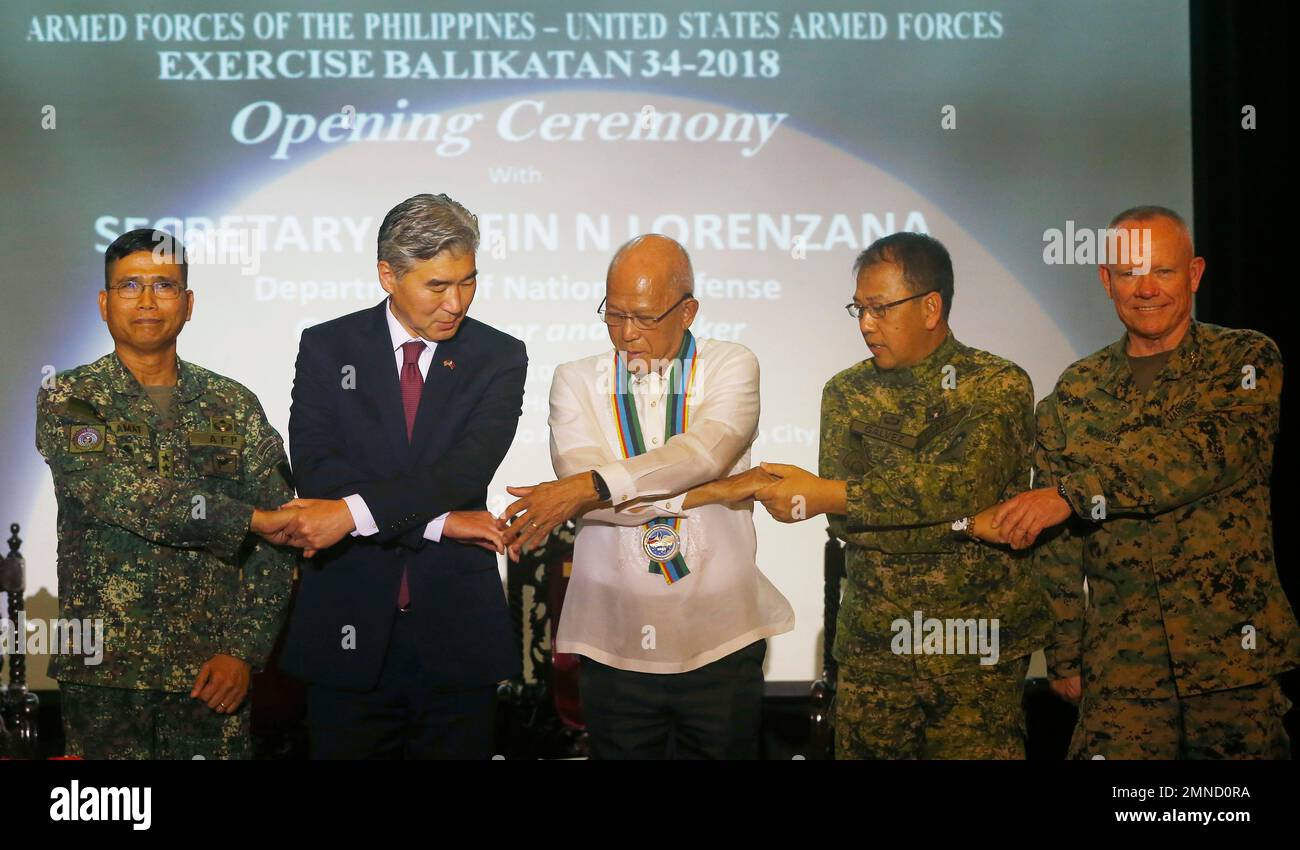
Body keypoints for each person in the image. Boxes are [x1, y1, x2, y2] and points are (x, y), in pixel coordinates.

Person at [992, 206, 1300, 758]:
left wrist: (1071, 494)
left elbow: (1202, 456)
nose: (1147, 289)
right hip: (1121, 671)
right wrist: (1064, 651)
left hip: (1233, 660)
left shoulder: (1246, 360)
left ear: (1195, 274)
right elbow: (1056, 540)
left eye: (1163, 271)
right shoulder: (1077, 390)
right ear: (1107, 281)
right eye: (1130, 273)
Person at [754, 231, 1051, 758]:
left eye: (880, 308)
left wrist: (836, 495)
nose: (867, 325)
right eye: (859, 309)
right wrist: (966, 526)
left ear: (931, 306)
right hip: (876, 649)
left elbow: (960, 486)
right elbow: (847, 522)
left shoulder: (998, 385)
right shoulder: (846, 392)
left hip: (973, 648)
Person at [498, 234, 794, 759]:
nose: (627, 334)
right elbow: (583, 477)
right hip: (616, 637)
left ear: (688, 311)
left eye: (645, 318)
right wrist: (719, 490)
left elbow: (703, 451)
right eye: (613, 315)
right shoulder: (575, 380)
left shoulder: (731, 365)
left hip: (719, 634)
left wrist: (593, 490)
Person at [279, 193, 525, 759]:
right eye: (437, 286)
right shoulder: (327, 346)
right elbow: (318, 471)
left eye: (467, 281)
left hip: (456, 641)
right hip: (346, 625)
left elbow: (463, 472)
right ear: (388, 274)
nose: (456, 302)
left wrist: (350, 514)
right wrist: (441, 525)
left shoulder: (499, 356)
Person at [36, 228, 297, 759]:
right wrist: (248, 518)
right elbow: (119, 492)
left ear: (189, 303)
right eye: (130, 286)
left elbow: (280, 534)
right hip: (104, 672)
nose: (149, 301)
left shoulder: (233, 403)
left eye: (165, 286)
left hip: (211, 675)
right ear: (105, 304)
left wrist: (243, 652)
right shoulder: (69, 396)